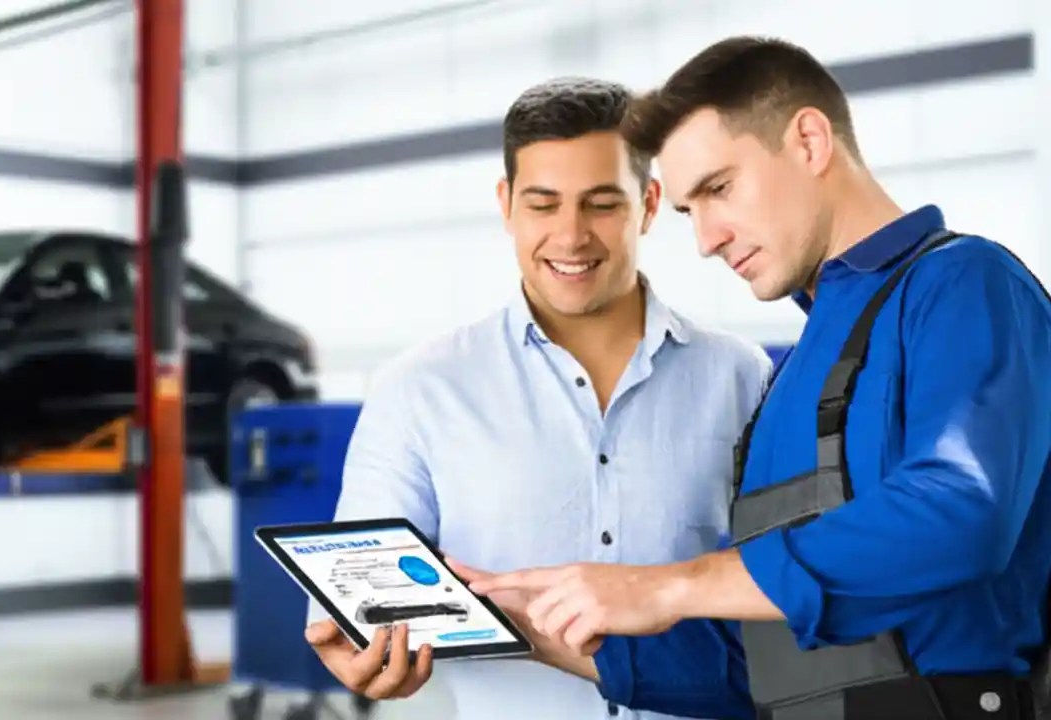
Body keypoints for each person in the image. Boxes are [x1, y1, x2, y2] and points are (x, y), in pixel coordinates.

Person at [471, 37, 1051, 720]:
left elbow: (961, 510)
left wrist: (672, 585)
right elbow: (749, 660)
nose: (706, 239)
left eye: (719, 189)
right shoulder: (789, 381)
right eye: (689, 210)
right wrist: (521, 627)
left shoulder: (962, 285)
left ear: (808, 141)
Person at [302, 76, 771, 720]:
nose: (571, 236)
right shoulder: (420, 389)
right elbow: (354, 595)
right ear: (506, 204)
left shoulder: (741, 377)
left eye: (602, 204)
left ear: (651, 203)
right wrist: (358, 648)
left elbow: (784, 586)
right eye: (543, 204)